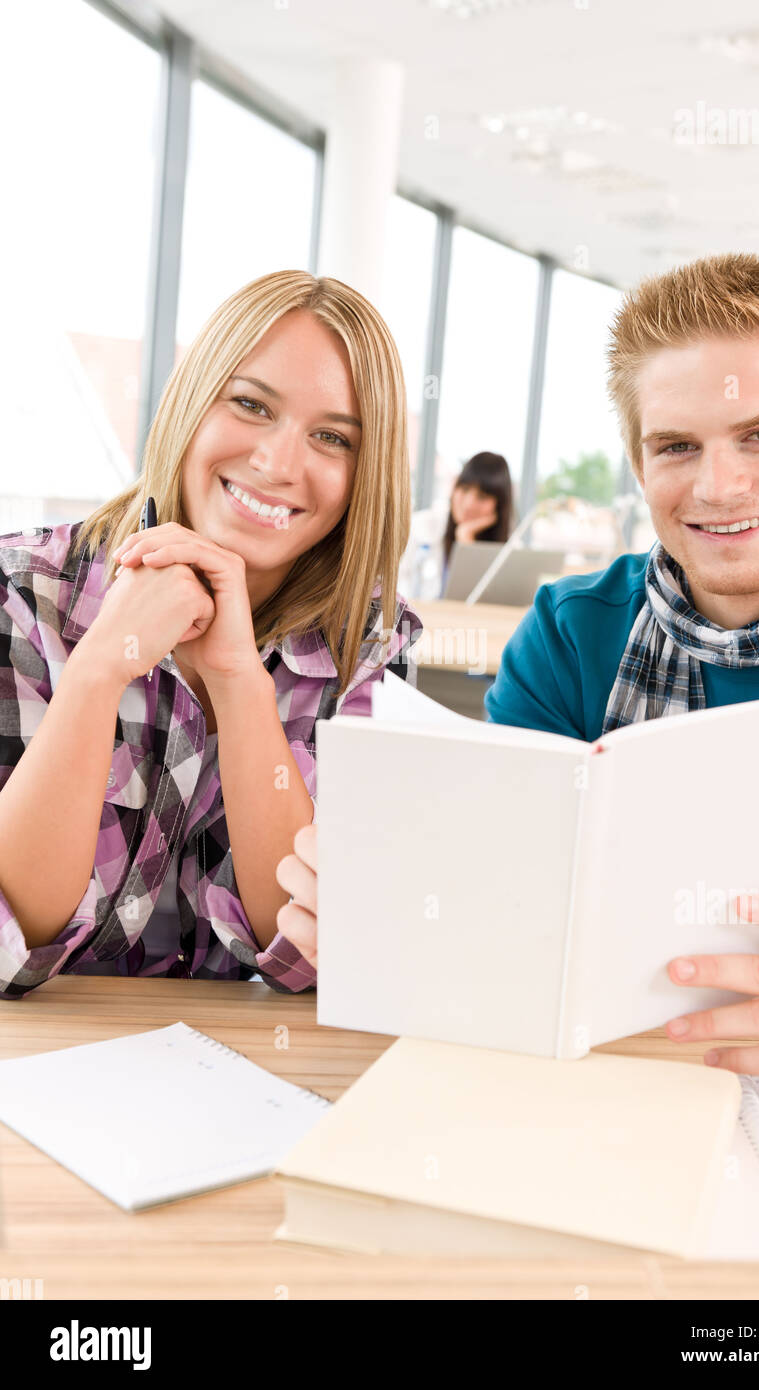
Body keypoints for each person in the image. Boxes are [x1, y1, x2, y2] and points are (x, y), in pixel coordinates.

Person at [277, 252, 759, 1128]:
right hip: (614, 1104)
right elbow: (512, 936)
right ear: (638, 460)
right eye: (676, 446)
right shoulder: (571, 633)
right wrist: (397, 931)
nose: (719, 485)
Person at [0, 270, 421, 997]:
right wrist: (100, 667)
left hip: (252, 1071)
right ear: (192, 404)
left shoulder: (366, 647)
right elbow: (17, 931)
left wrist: (237, 678)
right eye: (252, 405)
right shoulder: (24, 593)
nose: (278, 464)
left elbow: (302, 941)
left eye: (332, 437)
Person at [440, 452, 513, 595]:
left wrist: (465, 538)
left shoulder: (511, 553)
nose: (469, 504)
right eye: (464, 489)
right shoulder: (423, 529)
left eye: (482, 496)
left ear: (499, 506)